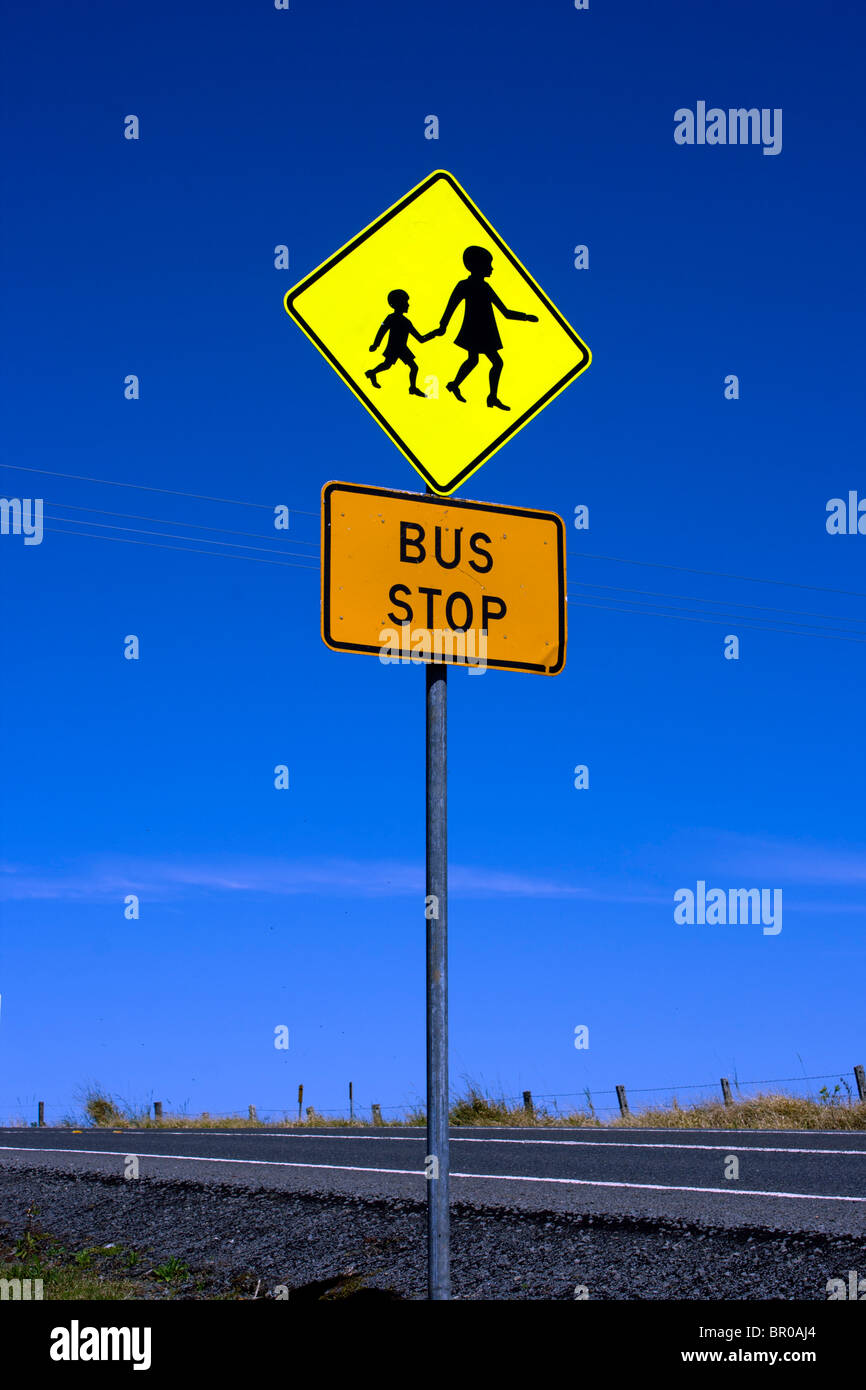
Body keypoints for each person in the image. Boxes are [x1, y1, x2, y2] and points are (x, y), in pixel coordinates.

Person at [434, 246, 538, 410]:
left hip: (485, 330)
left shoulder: (485, 287)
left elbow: (505, 312)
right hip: (476, 331)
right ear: (476, 265)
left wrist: (525, 317)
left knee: (475, 360)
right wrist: (443, 325)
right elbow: (451, 305)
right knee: (495, 362)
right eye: (488, 264)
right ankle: (489, 396)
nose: (491, 268)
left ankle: (456, 385)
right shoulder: (464, 285)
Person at [365, 289, 437, 396]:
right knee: (388, 365)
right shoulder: (391, 318)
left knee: (412, 367)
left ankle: (412, 388)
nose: (408, 304)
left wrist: (434, 333)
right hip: (393, 348)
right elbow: (382, 331)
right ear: (398, 304)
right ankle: (372, 373)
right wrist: (376, 344)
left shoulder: (407, 322)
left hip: (402, 348)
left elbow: (420, 339)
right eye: (405, 302)